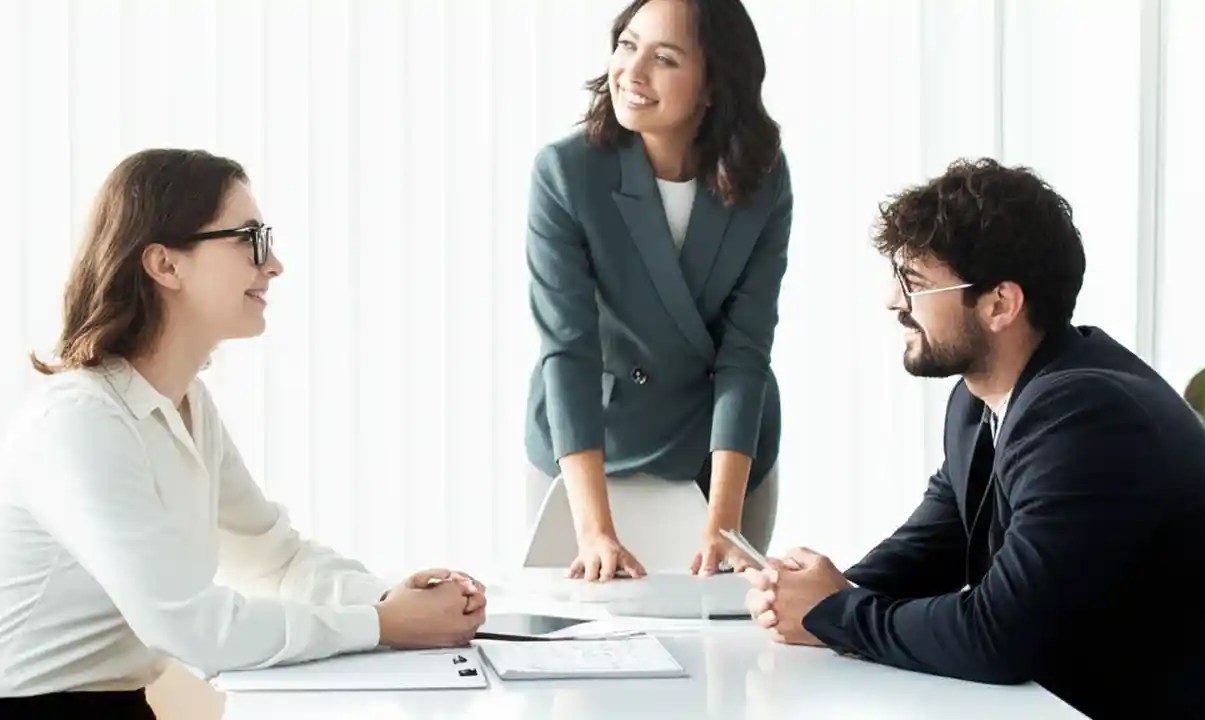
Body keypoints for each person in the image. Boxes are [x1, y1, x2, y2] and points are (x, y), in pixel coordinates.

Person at [743, 158, 1205, 719]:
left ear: (1001, 304)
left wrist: (837, 611)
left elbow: (1000, 636)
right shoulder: (979, 403)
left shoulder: (1088, 414)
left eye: (916, 284)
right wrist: (804, 592)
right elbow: (933, 547)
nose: (893, 302)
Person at [0, 149, 487, 717]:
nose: (274, 263)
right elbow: (190, 627)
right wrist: (382, 624)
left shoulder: (185, 403)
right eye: (250, 238)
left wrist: (390, 596)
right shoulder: (80, 420)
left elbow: (273, 558)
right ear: (166, 265)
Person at [524, 0, 791, 583]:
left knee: (726, 648)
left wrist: (723, 523)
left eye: (664, 58)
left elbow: (745, 353)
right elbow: (568, 352)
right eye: (627, 45)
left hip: (721, 449)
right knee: (567, 648)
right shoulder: (565, 172)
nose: (633, 71)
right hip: (587, 447)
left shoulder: (762, 175)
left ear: (714, 84)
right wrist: (594, 531)